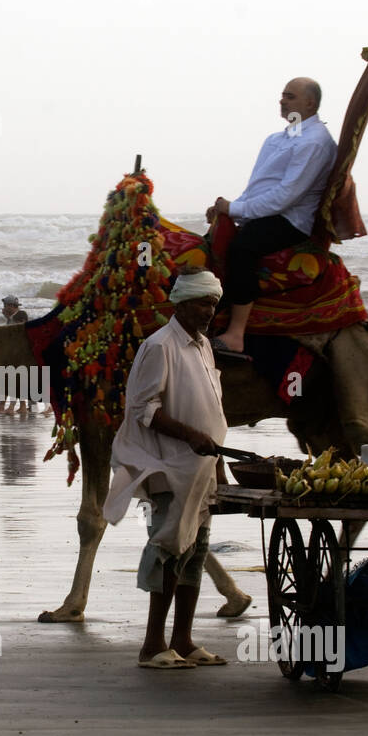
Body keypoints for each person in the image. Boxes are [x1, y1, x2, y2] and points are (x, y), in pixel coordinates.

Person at [102, 271, 230, 669]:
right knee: (169, 549)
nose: (209, 311)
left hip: (200, 469)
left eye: (213, 303)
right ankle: (152, 645)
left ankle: (184, 640)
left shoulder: (204, 345)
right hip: (167, 465)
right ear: (180, 304)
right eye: (201, 303)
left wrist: (217, 465)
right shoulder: (159, 346)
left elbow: (213, 408)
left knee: (195, 551)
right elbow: (144, 410)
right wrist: (190, 435)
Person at [206, 77, 337, 356]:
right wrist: (227, 210)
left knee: (242, 250)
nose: (282, 101)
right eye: (283, 95)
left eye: (290, 97)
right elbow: (259, 187)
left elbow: (286, 195)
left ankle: (235, 334)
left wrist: (236, 210)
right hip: (266, 213)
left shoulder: (315, 142)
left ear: (310, 103)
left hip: (291, 220)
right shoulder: (276, 139)